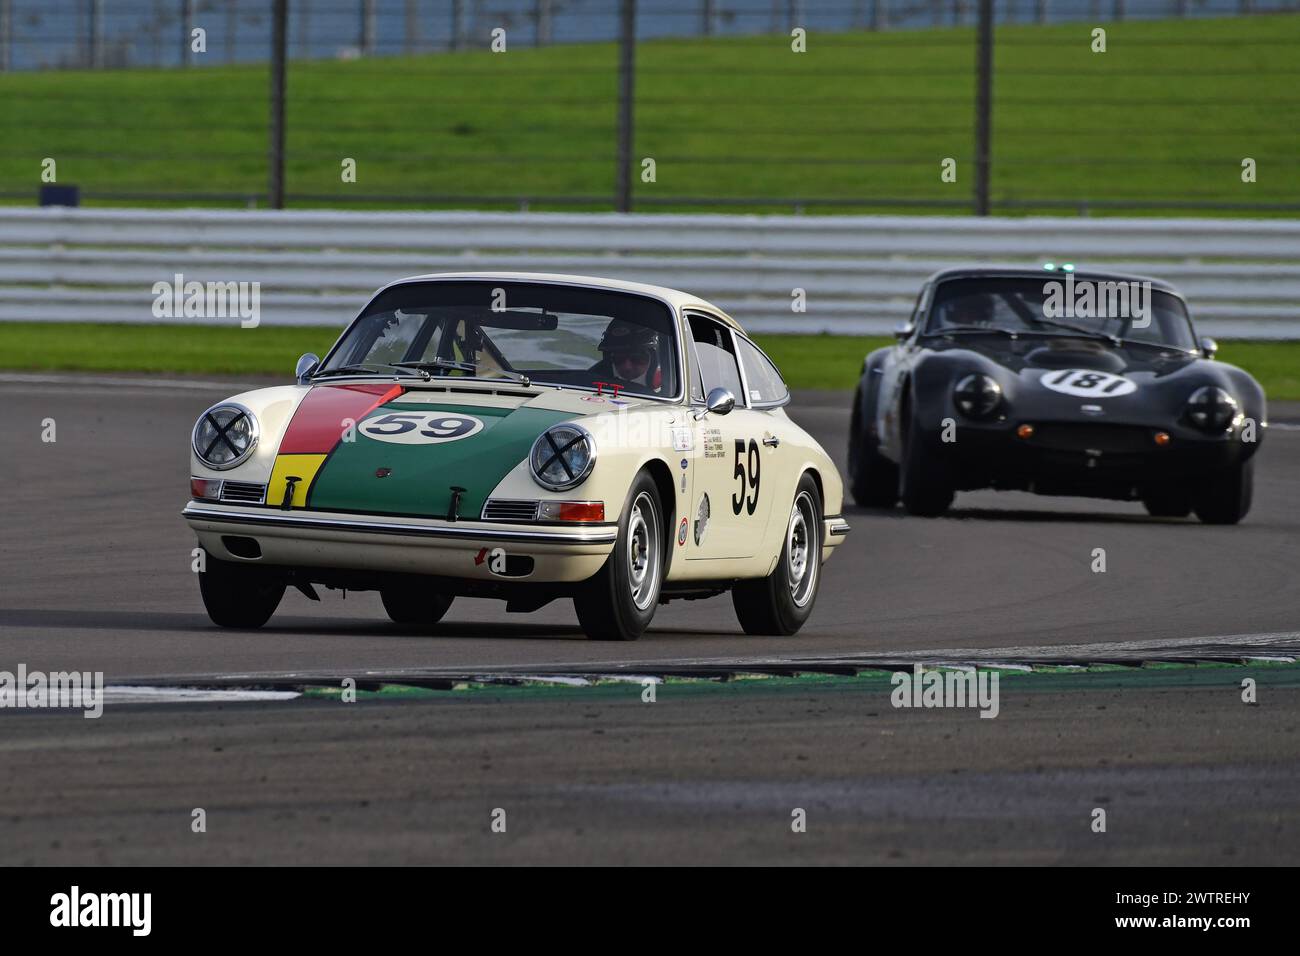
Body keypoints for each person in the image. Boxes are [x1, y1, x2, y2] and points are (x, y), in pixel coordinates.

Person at [589, 318, 660, 392]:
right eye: (619, 359)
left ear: (653, 357)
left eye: (637, 358)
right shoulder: (594, 379)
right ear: (609, 359)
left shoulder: (667, 382)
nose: (627, 367)